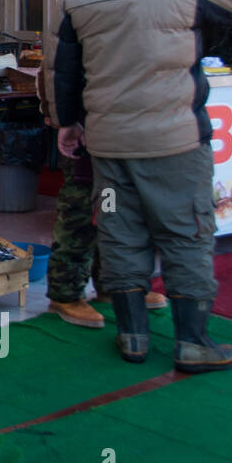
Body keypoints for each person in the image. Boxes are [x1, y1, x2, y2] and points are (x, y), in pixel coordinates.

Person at [53, 0, 232, 373]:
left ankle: (133, 338)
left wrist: (68, 122)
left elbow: (66, 69)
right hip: (175, 141)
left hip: (107, 141)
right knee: (187, 232)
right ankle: (192, 342)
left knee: (120, 234)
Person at [39, 18, 167, 327]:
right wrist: (65, 118)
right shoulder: (84, 16)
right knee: (79, 211)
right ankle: (65, 294)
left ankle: (113, 285)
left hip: (127, 130)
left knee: (122, 213)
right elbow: (55, 73)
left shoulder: (138, 20)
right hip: (86, 129)